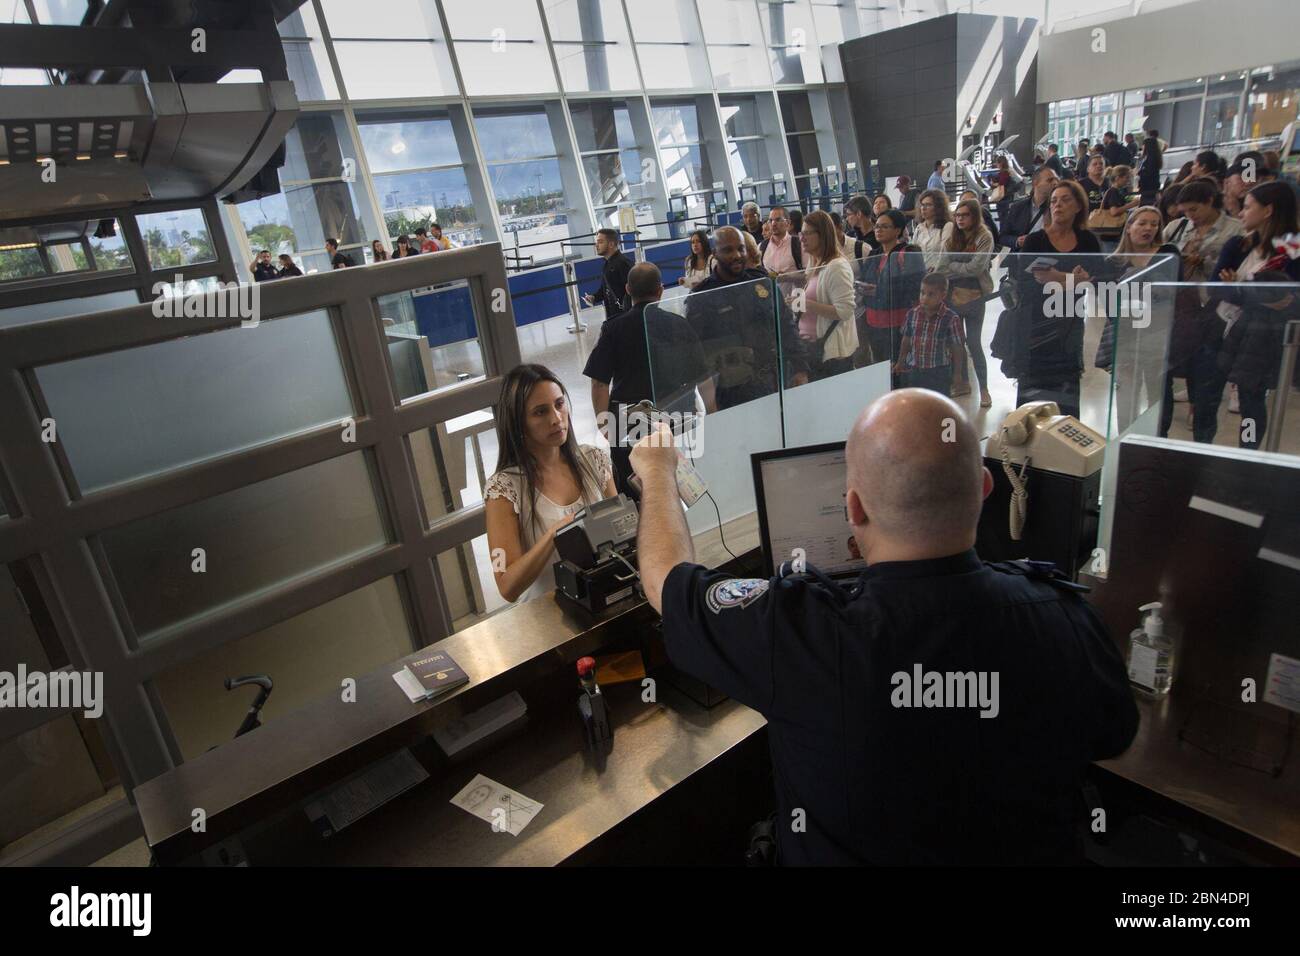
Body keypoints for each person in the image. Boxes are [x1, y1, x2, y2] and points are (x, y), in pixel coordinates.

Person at [628, 390, 1138, 865]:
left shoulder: (799, 636)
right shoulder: (1065, 616)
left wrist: (657, 473)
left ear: (852, 508)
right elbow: (1114, 734)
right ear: (985, 489)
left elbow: (664, 583)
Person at [483, 364, 618, 603]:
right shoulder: (503, 490)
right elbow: (506, 585)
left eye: (559, 404)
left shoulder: (593, 460)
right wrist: (555, 533)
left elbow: (620, 530)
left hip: (605, 598)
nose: (556, 419)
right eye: (540, 412)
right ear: (518, 422)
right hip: (547, 618)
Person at [586, 263, 708, 495]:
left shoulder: (613, 329)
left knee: (633, 489)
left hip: (627, 422)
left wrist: (604, 426)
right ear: (660, 290)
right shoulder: (679, 324)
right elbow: (702, 379)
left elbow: (599, 383)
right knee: (674, 485)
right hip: (674, 418)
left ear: (628, 289)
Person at [1004, 180, 1101, 417]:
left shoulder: (1087, 241)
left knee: (1066, 398)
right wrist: (1073, 280)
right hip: (1035, 326)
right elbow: (1026, 284)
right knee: (1031, 400)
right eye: (1054, 200)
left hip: (1069, 325)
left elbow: (1100, 279)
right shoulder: (1036, 241)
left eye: (1066, 200)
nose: (1058, 205)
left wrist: (1057, 277)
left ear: (1078, 206)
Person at [686, 226, 810, 410]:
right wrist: (710, 404)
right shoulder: (701, 297)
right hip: (731, 392)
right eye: (728, 250)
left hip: (774, 382)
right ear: (714, 254)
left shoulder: (762, 282)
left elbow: (786, 325)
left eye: (740, 248)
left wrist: (801, 368)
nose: (736, 255)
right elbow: (698, 357)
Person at [1211, 181, 1300, 423]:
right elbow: (1217, 288)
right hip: (1222, 328)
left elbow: (1287, 301)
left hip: (1261, 339)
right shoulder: (1238, 246)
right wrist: (1256, 297)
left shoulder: (1293, 251)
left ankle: (1248, 454)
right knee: (1208, 396)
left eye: (1248, 207)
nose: (1240, 213)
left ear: (1268, 211)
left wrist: (1239, 290)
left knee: (1251, 405)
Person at [1091, 207, 1183, 436]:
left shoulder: (1168, 253)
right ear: (1129, 226)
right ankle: (1126, 438)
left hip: (1159, 334)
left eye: (1154, 224)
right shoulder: (1113, 261)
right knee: (1126, 393)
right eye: (1142, 223)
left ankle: (1159, 440)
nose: (1149, 229)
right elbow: (1109, 301)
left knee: (1159, 390)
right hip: (1127, 336)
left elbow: (1175, 291)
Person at [1217, 273, 1297, 449]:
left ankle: (1248, 448)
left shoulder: (1261, 305)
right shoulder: (1261, 305)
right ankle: (1248, 448)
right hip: (1252, 365)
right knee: (1251, 411)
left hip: (1256, 365)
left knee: (1251, 412)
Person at [857, 210, 923, 385]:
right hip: (873, 321)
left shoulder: (908, 253)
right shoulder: (874, 254)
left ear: (898, 230)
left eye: (885, 226)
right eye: (877, 226)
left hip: (898, 323)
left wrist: (879, 290)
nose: (878, 230)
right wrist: (863, 288)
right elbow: (864, 279)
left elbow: (914, 287)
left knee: (900, 370)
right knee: (881, 369)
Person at [943, 198, 995, 406]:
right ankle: (961, 382)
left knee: (974, 342)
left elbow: (977, 267)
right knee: (956, 342)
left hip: (975, 295)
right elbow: (943, 263)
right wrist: (956, 265)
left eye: (964, 215)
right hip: (953, 294)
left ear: (974, 216)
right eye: (957, 216)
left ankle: (984, 388)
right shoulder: (952, 238)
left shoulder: (984, 236)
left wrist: (954, 265)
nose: (960, 219)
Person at [795, 210, 858, 379]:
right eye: (801, 233)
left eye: (807, 233)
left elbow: (845, 311)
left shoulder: (837, 266)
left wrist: (806, 303)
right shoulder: (814, 263)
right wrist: (797, 303)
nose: (802, 238)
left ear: (823, 235)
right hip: (811, 349)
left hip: (831, 354)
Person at [893, 273, 965, 397]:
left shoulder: (951, 318)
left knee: (939, 407)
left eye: (931, 294)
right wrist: (900, 361)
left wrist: (957, 373)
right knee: (917, 405)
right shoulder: (912, 314)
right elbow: (906, 339)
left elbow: (957, 348)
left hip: (938, 373)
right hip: (915, 370)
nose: (925, 298)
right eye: (922, 293)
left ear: (943, 295)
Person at [1000, 166, 1057, 249]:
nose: (1055, 183)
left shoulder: (1058, 208)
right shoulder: (1018, 208)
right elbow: (1003, 237)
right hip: (1022, 257)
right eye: (1050, 180)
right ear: (1035, 183)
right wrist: (1017, 241)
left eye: (1057, 179)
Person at [583, 228, 632, 320]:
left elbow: (633, 290)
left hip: (624, 316)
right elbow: (606, 288)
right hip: (614, 316)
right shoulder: (608, 264)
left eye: (600, 242)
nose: (596, 245)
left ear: (611, 244)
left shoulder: (623, 263)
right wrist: (594, 297)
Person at [910, 189, 954, 271]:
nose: (923, 208)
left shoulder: (947, 226)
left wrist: (935, 270)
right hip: (921, 275)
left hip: (941, 275)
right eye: (922, 205)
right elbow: (914, 254)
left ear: (939, 207)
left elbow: (945, 255)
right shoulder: (919, 228)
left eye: (928, 205)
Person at [760, 205, 803, 276]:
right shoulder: (762, 247)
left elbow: (809, 274)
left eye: (778, 220)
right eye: (770, 220)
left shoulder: (799, 244)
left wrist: (786, 277)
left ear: (788, 223)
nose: (773, 224)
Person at [1136, 135, 1162, 206]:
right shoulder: (1153, 157)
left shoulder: (1151, 159)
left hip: (1149, 188)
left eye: (1143, 145)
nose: (1142, 147)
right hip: (1151, 187)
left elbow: (1148, 173)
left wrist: (1140, 173)